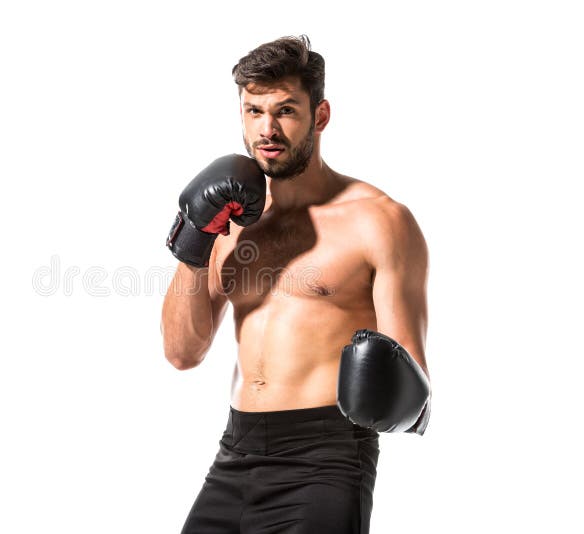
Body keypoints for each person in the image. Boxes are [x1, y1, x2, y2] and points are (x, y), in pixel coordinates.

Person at [161, 35, 431, 534]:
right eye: (253, 111)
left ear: (320, 115)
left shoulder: (379, 222)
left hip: (324, 460)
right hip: (234, 452)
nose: (267, 129)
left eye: (285, 110)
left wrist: (393, 395)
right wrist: (194, 241)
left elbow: (412, 386)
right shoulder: (232, 220)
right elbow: (182, 352)